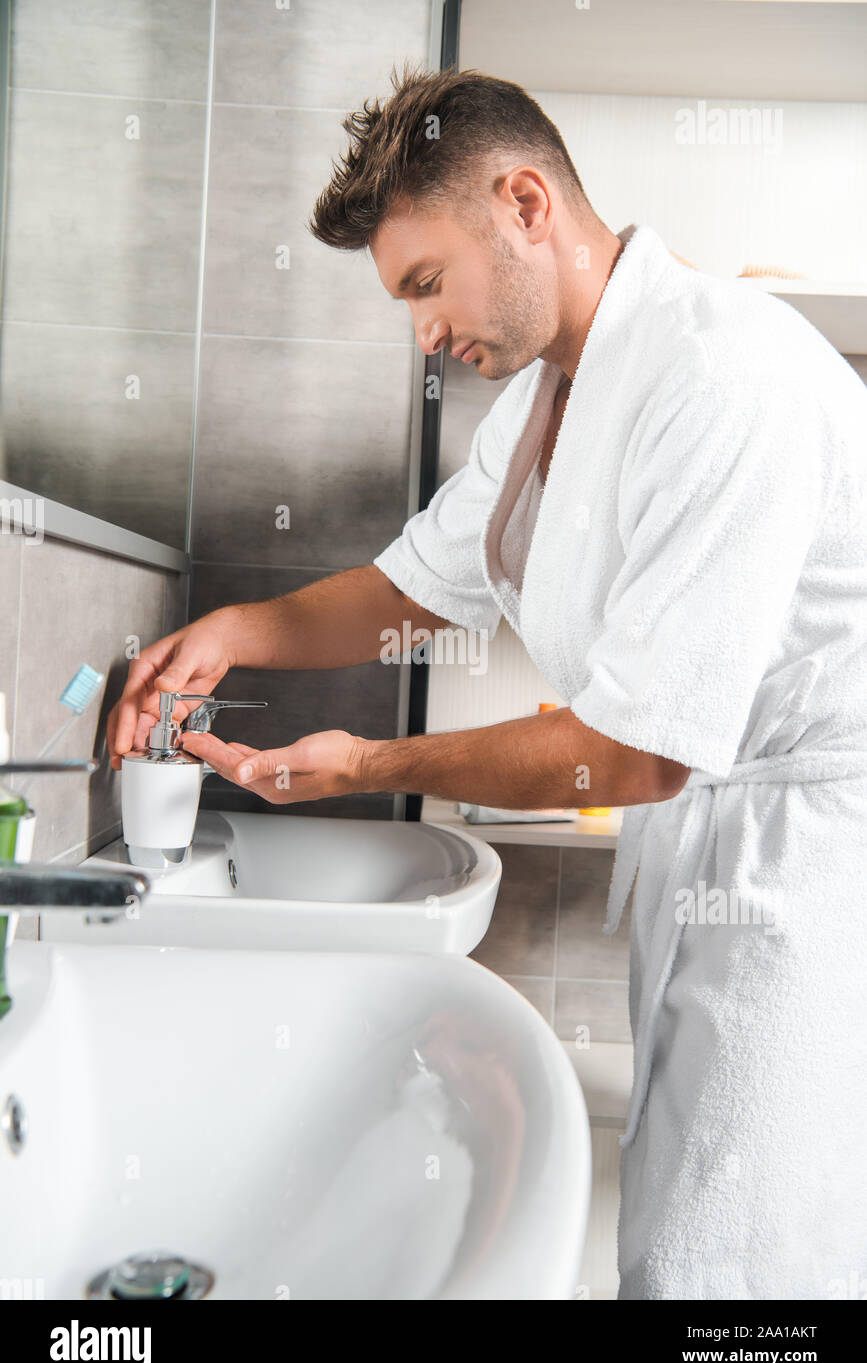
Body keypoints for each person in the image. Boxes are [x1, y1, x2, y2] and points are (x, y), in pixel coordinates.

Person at [108, 65, 867, 1300]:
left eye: (424, 283)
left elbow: (637, 750)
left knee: (741, 1269)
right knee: (683, 1236)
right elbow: (414, 589)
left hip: (815, 877)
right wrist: (233, 631)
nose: (421, 330)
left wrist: (370, 766)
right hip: (716, 855)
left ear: (525, 203)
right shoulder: (542, 405)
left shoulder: (726, 377)